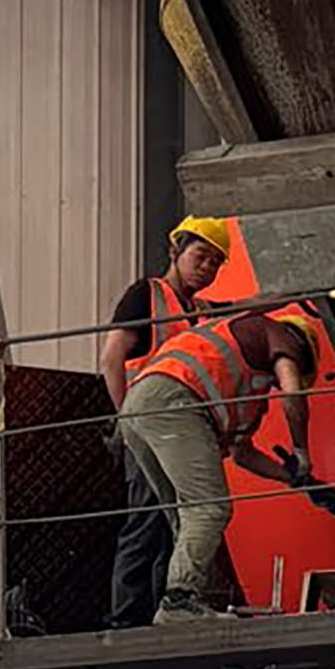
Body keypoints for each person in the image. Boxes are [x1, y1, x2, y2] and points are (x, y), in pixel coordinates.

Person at [117, 296, 333, 619]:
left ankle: (186, 603)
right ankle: (178, 603)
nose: (276, 382)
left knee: (182, 516)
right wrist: (301, 452)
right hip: (177, 399)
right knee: (210, 508)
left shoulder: (246, 382)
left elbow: (243, 454)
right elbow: (293, 396)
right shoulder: (279, 335)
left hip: (138, 405)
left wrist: (293, 479)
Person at [101, 215, 232, 628]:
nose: (206, 268)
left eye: (215, 262)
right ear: (176, 249)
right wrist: (126, 419)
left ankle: (165, 608)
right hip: (147, 422)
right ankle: (127, 618)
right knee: (147, 518)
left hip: (176, 427)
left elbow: (246, 309)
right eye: (201, 256)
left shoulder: (201, 311)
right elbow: (111, 357)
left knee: (175, 519)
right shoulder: (147, 295)